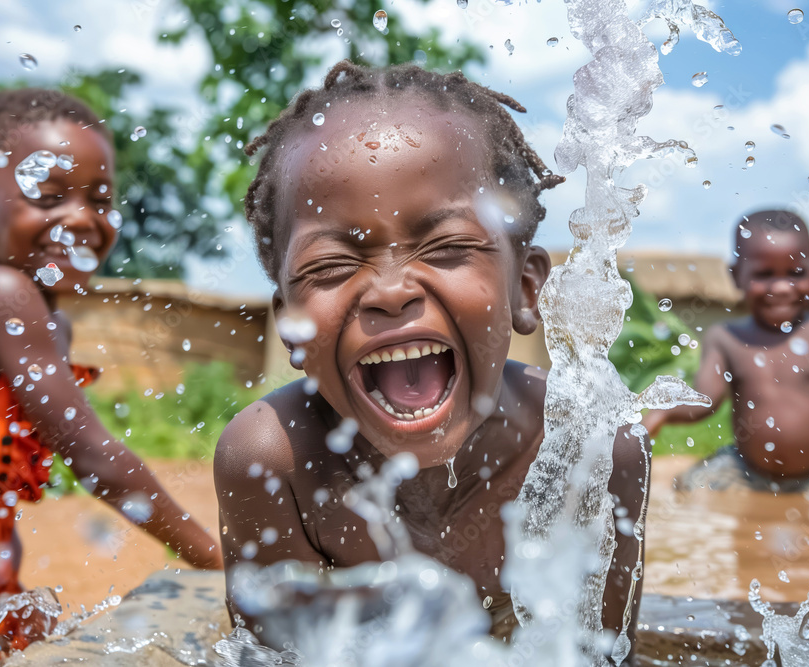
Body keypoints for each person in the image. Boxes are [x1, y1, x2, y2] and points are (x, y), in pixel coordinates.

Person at [214, 60, 647, 656]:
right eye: (333, 265)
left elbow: (603, 655)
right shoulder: (275, 461)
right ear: (290, 324)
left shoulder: (591, 445)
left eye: (446, 246)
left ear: (525, 289)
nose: (391, 291)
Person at [0, 89, 222, 667]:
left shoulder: (22, 303)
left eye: (100, 199)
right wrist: (215, 559)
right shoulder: (3, 293)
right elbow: (92, 455)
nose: (83, 218)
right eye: (49, 196)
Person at [643, 209, 809, 500]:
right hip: (746, 471)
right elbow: (704, 399)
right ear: (736, 276)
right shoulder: (726, 339)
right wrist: (661, 413)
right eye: (764, 274)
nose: (781, 287)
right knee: (693, 490)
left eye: (795, 273)